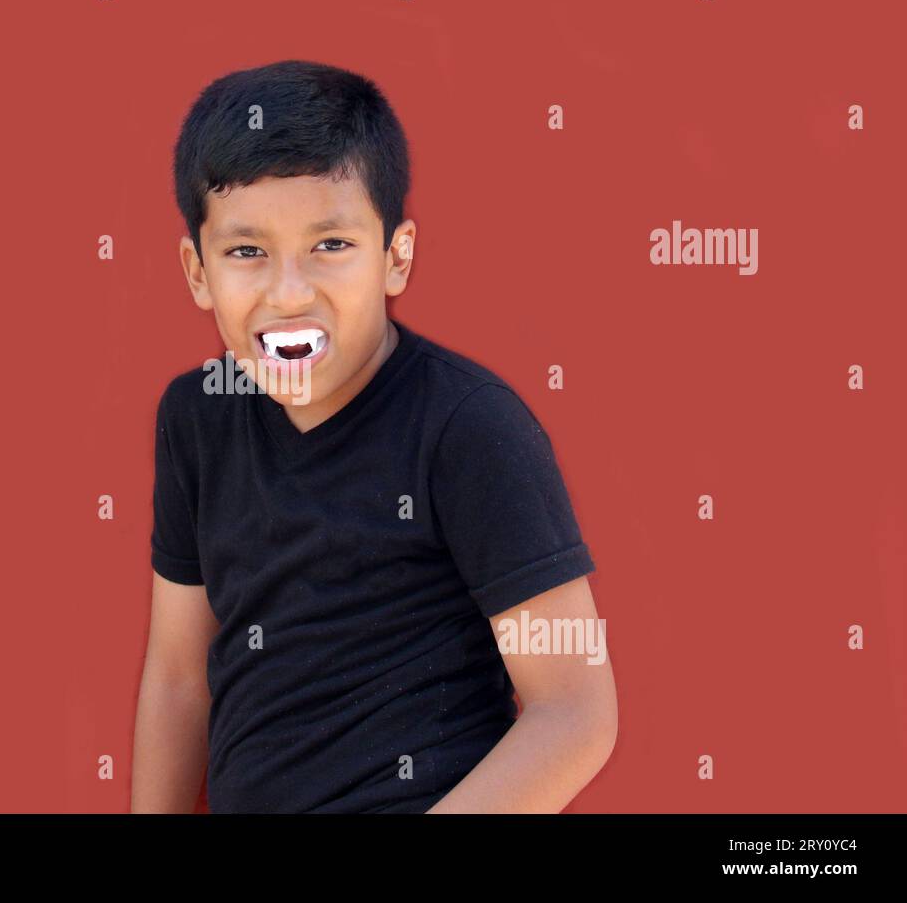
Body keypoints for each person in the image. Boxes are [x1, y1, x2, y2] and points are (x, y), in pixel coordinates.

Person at [131, 60, 616, 813]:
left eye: (331, 245)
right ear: (197, 273)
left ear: (397, 256)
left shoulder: (469, 427)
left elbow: (576, 712)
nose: (289, 292)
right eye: (247, 252)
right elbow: (177, 675)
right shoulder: (195, 417)